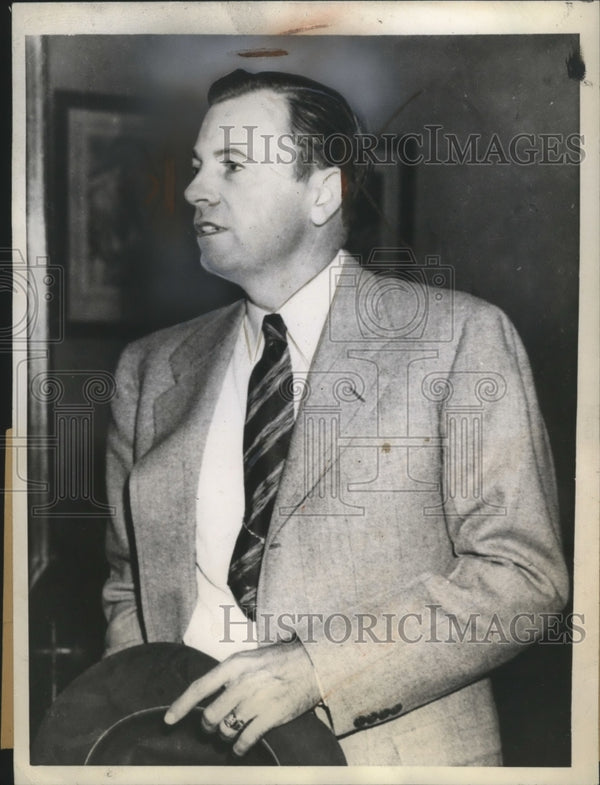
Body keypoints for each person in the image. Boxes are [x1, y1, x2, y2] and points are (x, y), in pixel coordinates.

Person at [102, 69, 569, 766]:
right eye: (199, 167)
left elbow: (523, 578)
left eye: (232, 164)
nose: (196, 188)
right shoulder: (149, 367)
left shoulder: (459, 338)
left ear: (323, 191)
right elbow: (126, 583)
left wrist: (318, 668)